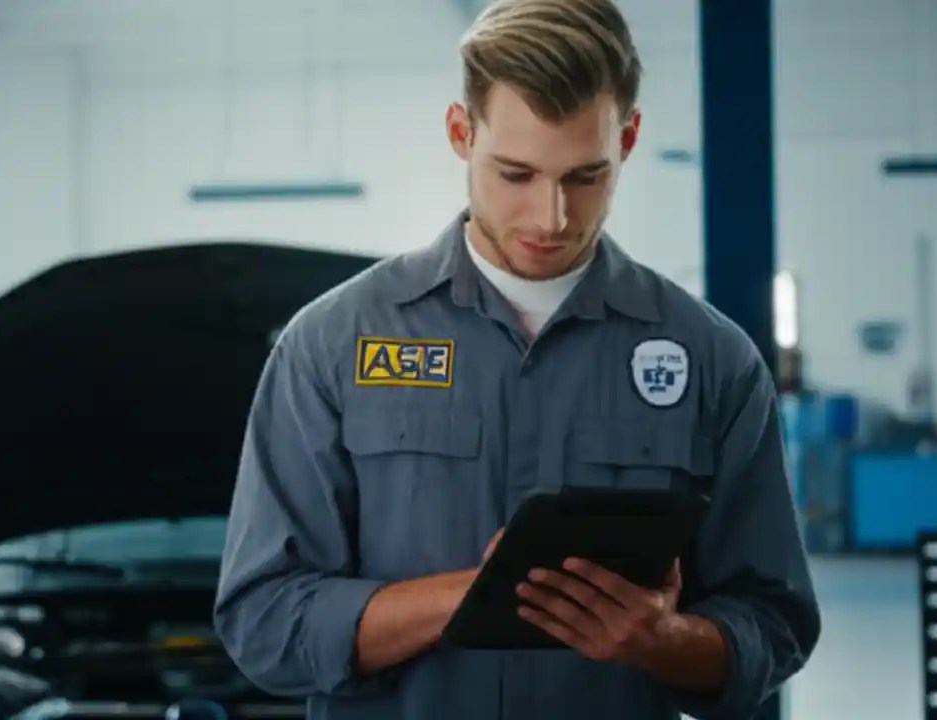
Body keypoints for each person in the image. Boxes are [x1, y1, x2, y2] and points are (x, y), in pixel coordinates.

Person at [212, 0, 821, 717]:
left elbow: (773, 625)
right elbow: (263, 620)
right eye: (516, 174)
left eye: (585, 177)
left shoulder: (712, 360)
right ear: (460, 132)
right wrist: (473, 594)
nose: (551, 217)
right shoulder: (332, 345)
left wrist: (662, 639)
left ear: (628, 139)